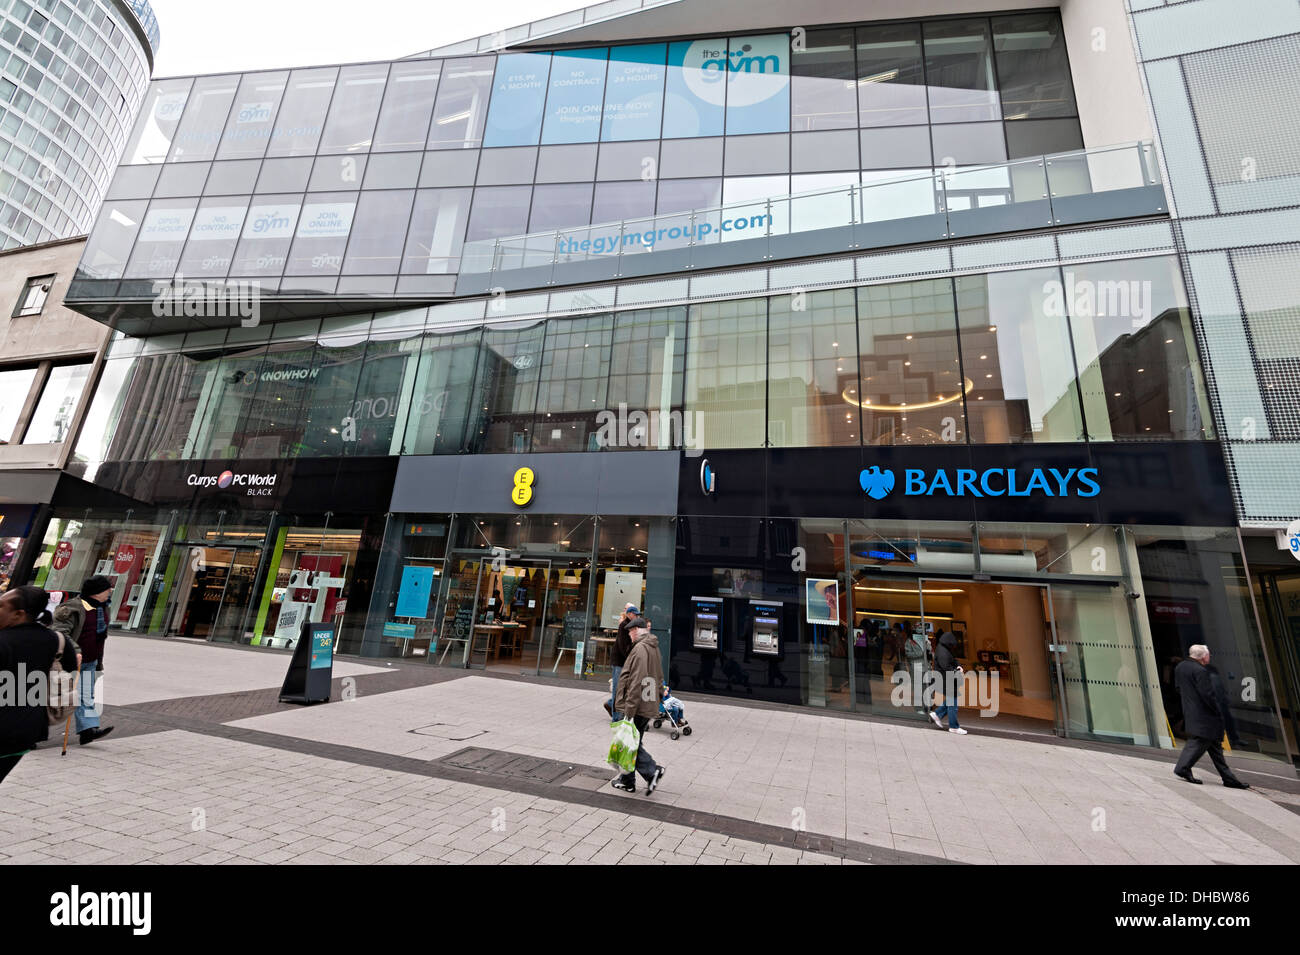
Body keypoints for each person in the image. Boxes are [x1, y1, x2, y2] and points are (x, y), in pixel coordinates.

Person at [0, 586, 80, 784]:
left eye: (1, 606)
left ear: (19, 614)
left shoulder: (3, 641)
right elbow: (70, 668)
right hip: (27, 730)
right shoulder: (56, 640)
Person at [1173, 645, 1248, 788]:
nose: (1209, 657)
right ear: (1203, 657)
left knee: (1215, 749)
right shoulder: (1201, 671)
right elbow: (1207, 695)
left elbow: (1178, 688)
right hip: (1205, 716)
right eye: (1208, 655)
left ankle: (1229, 779)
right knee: (1198, 742)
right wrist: (1217, 711)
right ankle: (1183, 768)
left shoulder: (1181, 666)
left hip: (1191, 711)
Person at [52, 576, 115, 746]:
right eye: (107, 589)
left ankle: (88, 730)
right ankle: (33, 731)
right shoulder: (71, 608)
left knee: (86, 695)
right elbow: (59, 632)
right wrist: (76, 650)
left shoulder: (102, 608)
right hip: (71, 661)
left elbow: (100, 637)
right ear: (96, 592)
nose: (110, 592)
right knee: (54, 697)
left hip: (91, 660)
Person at [611, 616, 666, 795]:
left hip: (637, 705)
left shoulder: (640, 649)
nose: (629, 635)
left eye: (629, 631)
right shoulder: (653, 647)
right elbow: (659, 677)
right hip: (647, 703)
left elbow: (636, 681)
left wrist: (629, 710)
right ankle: (628, 780)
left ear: (636, 630)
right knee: (633, 742)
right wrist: (658, 700)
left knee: (631, 744)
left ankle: (652, 771)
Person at [929, 629, 967, 735]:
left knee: (951, 701)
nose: (953, 646)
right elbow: (946, 666)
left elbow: (953, 660)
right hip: (945, 679)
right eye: (952, 644)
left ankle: (936, 714)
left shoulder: (943, 649)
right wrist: (956, 670)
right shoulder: (943, 651)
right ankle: (954, 726)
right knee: (953, 704)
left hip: (946, 678)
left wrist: (958, 666)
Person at [604, 602, 637, 718]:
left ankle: (610, 704)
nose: (636, 616)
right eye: (634, 614)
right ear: (628, 614)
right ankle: (616, 718)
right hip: (619, 662)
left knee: (622, 690)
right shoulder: (624, 625)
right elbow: (623, 646)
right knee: (618, 689)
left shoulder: (632, 625)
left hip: (625, 662)